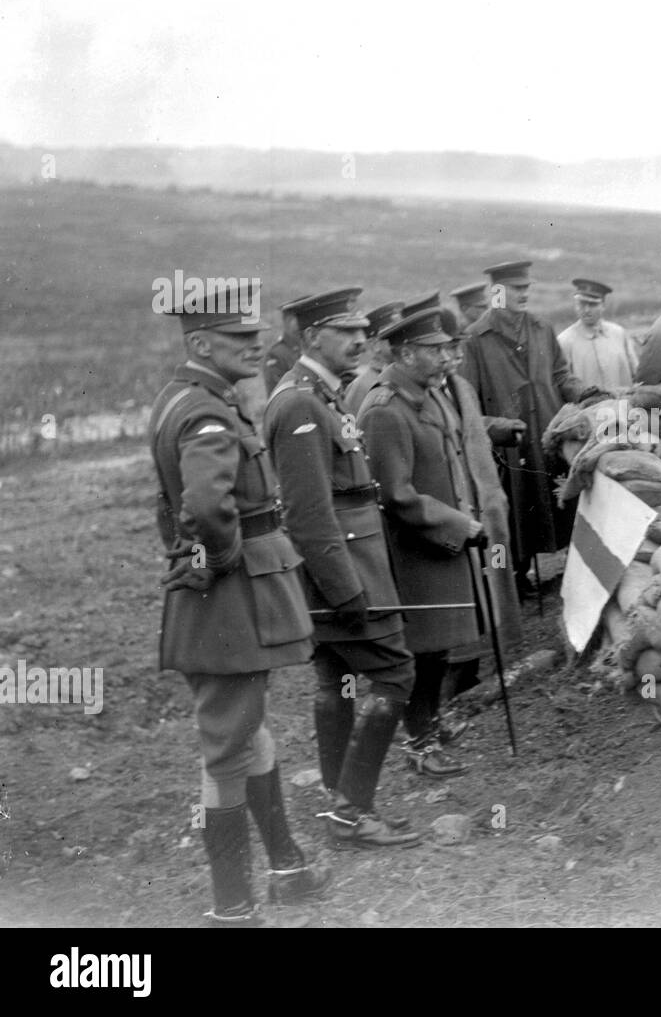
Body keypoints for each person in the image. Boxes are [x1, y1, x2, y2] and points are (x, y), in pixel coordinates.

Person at [150, 303, 328, 926]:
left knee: (249, 730)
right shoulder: (205, 410)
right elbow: (202, 504)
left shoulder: (185, 397)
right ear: (200, 341)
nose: (255, 347)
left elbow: (168, 507)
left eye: (256, 337)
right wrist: (218, 559)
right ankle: (232, 906)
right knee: (228, 747)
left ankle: (285, 868)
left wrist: (194, 554)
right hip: (229, 597)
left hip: (222, 596)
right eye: (237, 339)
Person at [263, 288, 420, 850]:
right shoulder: (302, 403)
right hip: (341, 571)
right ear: (310, 338)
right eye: (344, 331)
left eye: (361, 329)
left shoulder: (320, 396)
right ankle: (351, 811)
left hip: (344, 566)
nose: (360, 339)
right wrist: (345, 588)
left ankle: (342, 805)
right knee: (397, 675)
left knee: (336, 679)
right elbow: (307, 514)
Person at [358, 308, 526, 775]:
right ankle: (419, 743)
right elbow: (395, 493)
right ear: (407, 353)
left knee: (438, 649)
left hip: (445, 544)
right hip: (417, 549)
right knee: (420, 649)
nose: (446, 357)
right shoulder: (385, 410)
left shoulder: (431, 396)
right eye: (435, 350)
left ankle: (430, 724)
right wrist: (457, 524)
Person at [459, 261, 603, 594]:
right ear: (496, 293)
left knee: (557, 506)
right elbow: (467, 405)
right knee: (511, 516)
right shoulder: (475, 340)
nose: (525, 294)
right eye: (516, 289)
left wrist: (584, 391)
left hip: (547, 438)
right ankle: (510, 579)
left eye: (527, 288)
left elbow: (559, 376)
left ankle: (569, 569)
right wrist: (497, 427)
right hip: (507, 448)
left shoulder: (541, 327)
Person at [556, 278, 640, 390]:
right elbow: (562, 384)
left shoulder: (619, 334)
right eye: (582, 304)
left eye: (592, 304)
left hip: (622, 405)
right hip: (587, 407)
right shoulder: (564, 341)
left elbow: (637, 374)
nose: (586, 310)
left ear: (603, 306)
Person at [343, 299, 405, 414]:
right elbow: (349, 430)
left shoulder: (402, 377)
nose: (402, 341)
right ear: (375, 345)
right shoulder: (362, 386)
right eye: (393, 336)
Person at [261, 295, 309, 391]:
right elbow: (277, 391)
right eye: (299, 319)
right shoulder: (276, 354)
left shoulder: (308, 347)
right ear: (288, 321)